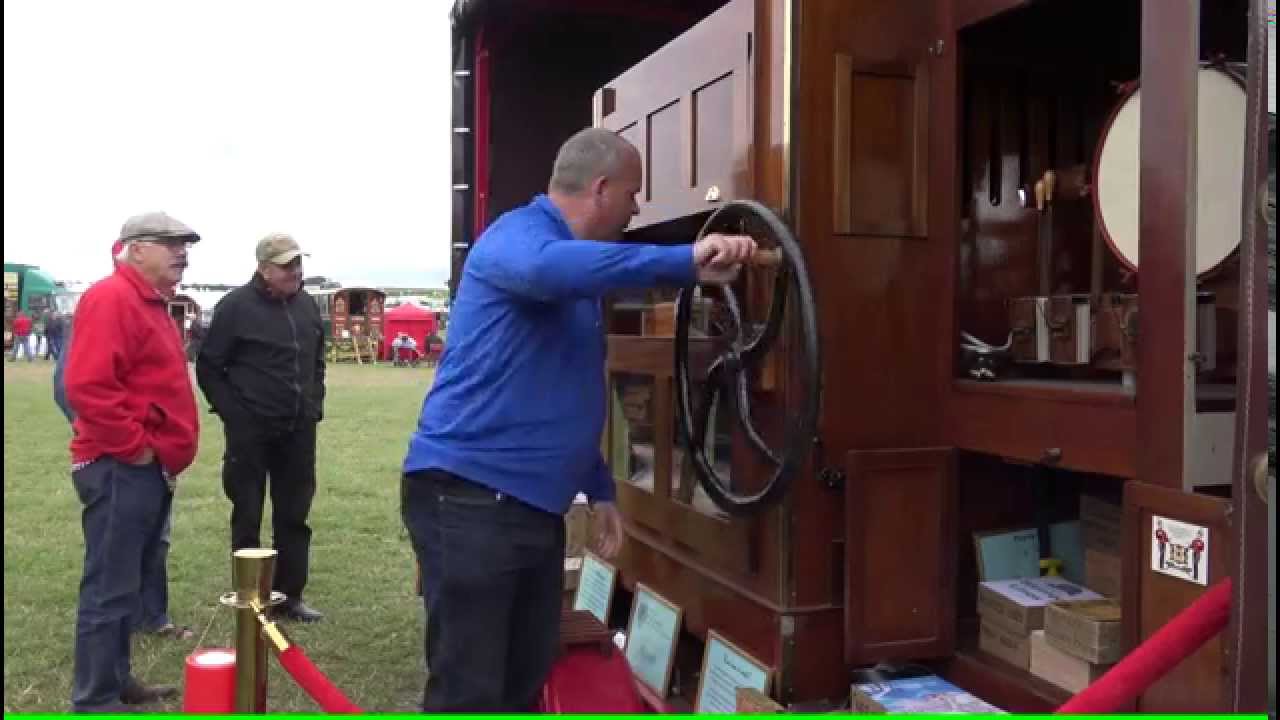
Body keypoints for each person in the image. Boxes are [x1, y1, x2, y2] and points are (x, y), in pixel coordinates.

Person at [399, 127, 756, 711]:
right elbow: (549, 269)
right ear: (601, 188)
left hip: (526, 507)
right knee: (471, 687)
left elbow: (561, 387)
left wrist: (599, 487)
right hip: (470, 500)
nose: (636, 209)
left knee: (524, 676)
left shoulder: (578, 275)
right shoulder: (518, 238)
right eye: (633, 194)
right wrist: (686, 260)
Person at [63, 211, 201, 712]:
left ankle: (116, 680)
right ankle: (96, 698)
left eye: (185, 245)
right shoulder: (112, 297)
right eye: (170, 243)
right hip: (121, 466)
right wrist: (136, 447)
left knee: (124, 584)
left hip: (142, 467)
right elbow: (87, 385)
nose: (182, 253)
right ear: (135, 249)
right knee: (108, 586)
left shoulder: (148, 301)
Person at [196, 233, 327, 623]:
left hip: (298, 429)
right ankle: (251, 597)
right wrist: (236, 416)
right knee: (248, 512)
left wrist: (314, 405)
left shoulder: (307, 306)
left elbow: (317, 361)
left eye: (298, 263)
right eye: (286, 266)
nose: (295, 271)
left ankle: (290, 597)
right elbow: (209, 368)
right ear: (264, 269)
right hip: (250, 432)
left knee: (294, 515)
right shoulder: (234, 307)